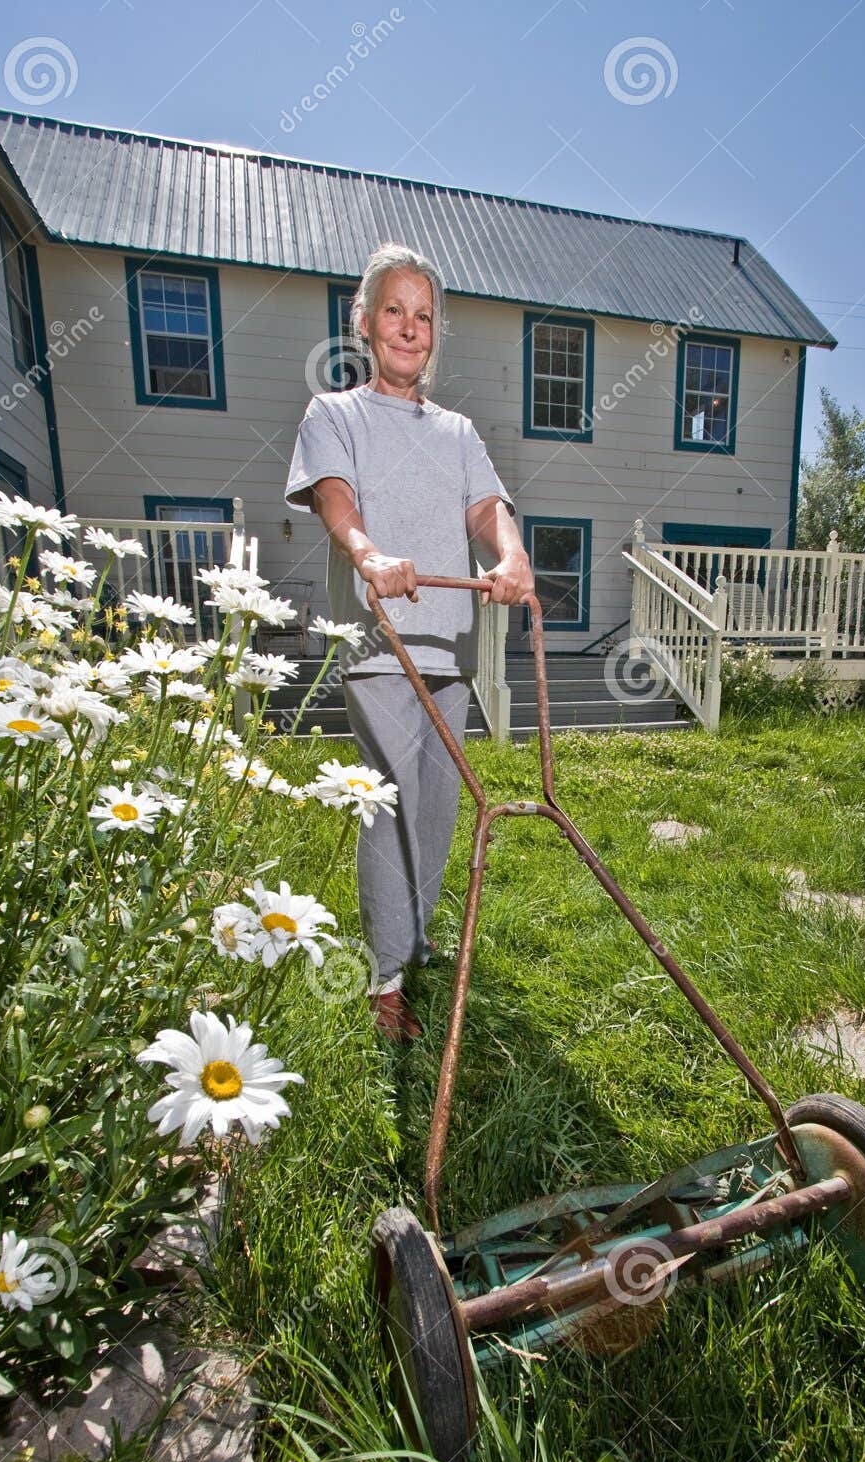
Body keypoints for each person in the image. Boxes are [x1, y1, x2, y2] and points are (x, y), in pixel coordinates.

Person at [284, 242, 534, 1042]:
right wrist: (367, 554)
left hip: (445, 655)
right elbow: (335, 496)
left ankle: (414, 940)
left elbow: (486, 506)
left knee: (434, 807)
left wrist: (512, 555)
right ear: (362, 323)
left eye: (423, 316)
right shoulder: (336, 415)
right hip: (378, 649)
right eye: (393, 310)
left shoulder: (456, 430)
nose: (408, 327)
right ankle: (383, 978)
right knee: (388, 804)